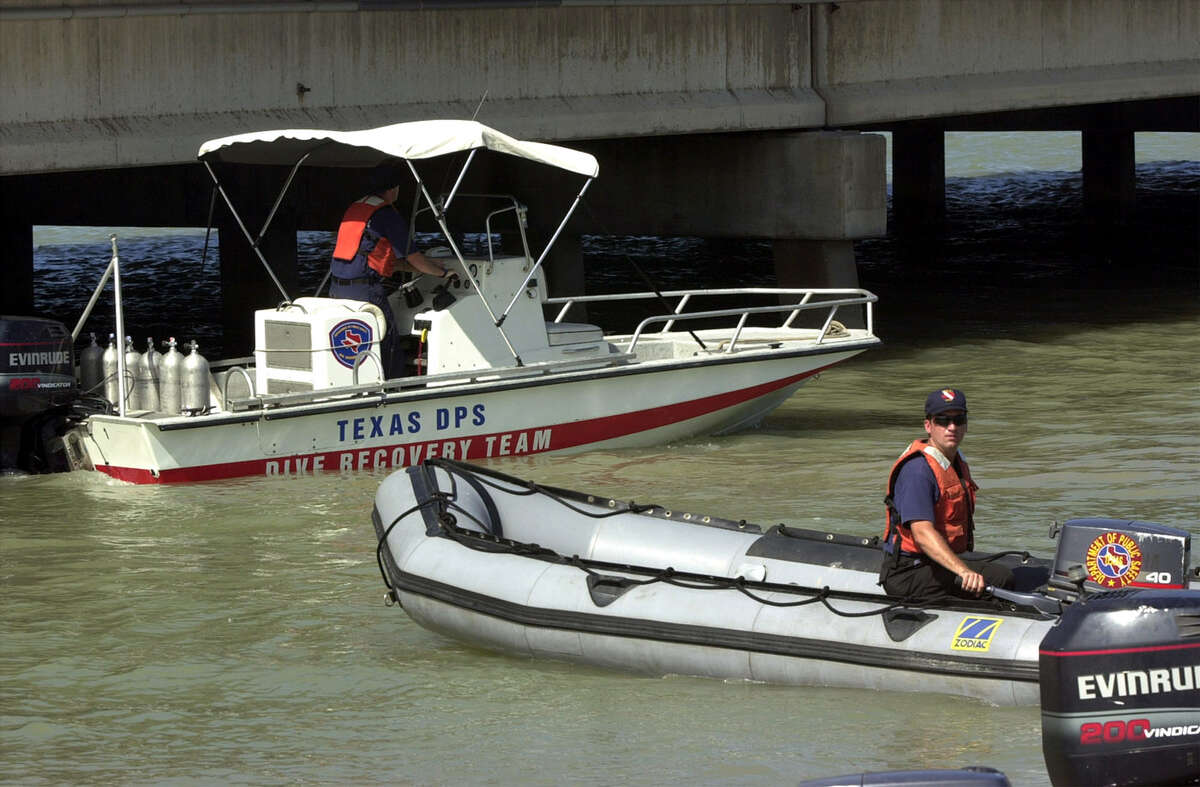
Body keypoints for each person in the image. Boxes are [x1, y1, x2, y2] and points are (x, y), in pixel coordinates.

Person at [879, 388, 1014, 604]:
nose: (952, 427)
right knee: (1001, 579)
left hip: (936, 564)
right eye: (942, 420)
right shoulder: (918, 471)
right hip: (909, 572)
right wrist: (964, 571)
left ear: (966, 425)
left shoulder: (955, 461)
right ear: (928, 426)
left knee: (1005, 572)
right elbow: (922, 534)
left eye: (958, 420)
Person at [329, 166, 454, 376]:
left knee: (351, 347)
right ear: (393, 189)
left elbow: (381, 261)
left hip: (337, 289)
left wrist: (427, 265)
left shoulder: (356, 209)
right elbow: (413, 257)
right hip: (365, 292)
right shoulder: (387, 215)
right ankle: (392, 388)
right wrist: (443, 273)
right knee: (387, 343)